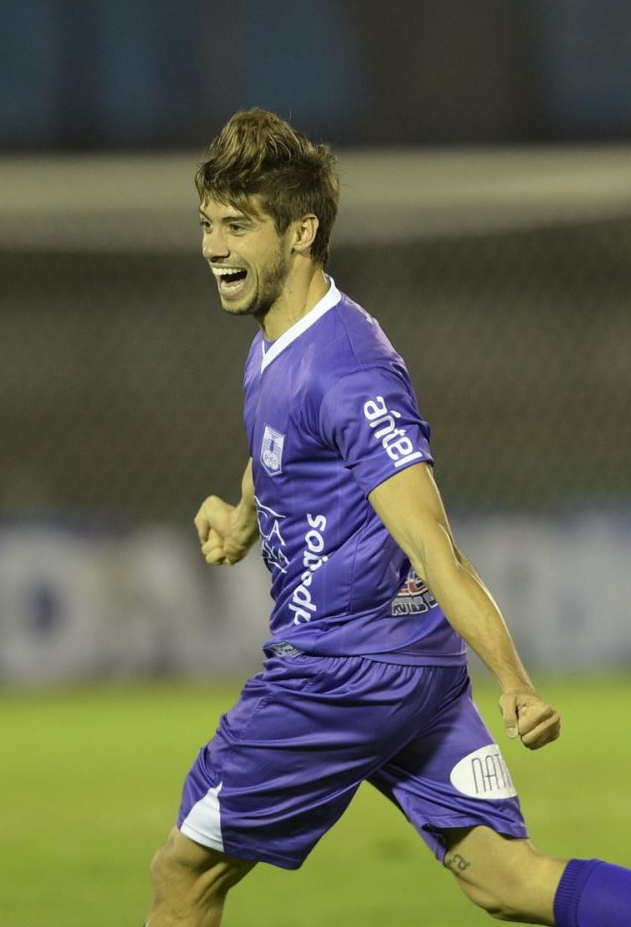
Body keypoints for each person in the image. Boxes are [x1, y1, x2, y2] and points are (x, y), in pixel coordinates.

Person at [145, 108, 631, 927]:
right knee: (506, 881)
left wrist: (515, 682)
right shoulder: (280, 337)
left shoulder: (350, 371)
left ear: (301, 232)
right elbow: (290, 443)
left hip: (339, 673)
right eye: (206, 225)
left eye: (236, 227)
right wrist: (243, 517)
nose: (212, 248)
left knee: (182, 876)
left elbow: (433, 542)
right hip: (411, 673)